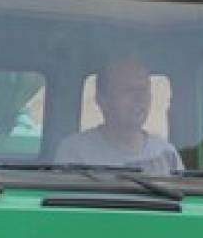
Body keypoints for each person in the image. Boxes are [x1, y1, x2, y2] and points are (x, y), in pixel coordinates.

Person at [54, 57, 183, 175]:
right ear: (102, 100)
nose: (139, 98)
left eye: (144, 89)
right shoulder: (75, 153)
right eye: (128, 90)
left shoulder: (166, 154)